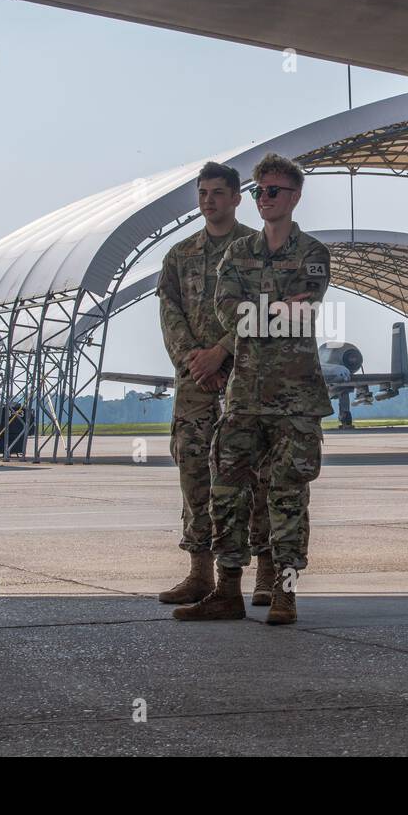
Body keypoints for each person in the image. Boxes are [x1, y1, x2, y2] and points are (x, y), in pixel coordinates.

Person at [174, 154, 332, 626]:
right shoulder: (235, 254)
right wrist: (273, 310)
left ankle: (284, 594)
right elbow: (228, 315)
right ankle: (227, 591)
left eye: (275, 191)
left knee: (287, 496)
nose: (265, 198)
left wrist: (257, 312)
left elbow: (302, 311)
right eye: (261, 190)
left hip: (295, 400)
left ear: (295, 196)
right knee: (228, 492)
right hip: (243, 397)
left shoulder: (313, 254)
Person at [155, 162, 274, 607]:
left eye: (218, 192)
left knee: (255, 474)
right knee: (194, 474)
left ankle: (266, 570)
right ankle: (200, 572)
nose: (209, 200)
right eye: (203, 193)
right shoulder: (180, 255)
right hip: (195, 384)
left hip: (245, 376)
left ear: (237, 197)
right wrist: (194, 360)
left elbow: (265, 308)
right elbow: (169, 312)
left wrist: (221, 352)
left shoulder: (256, 250)